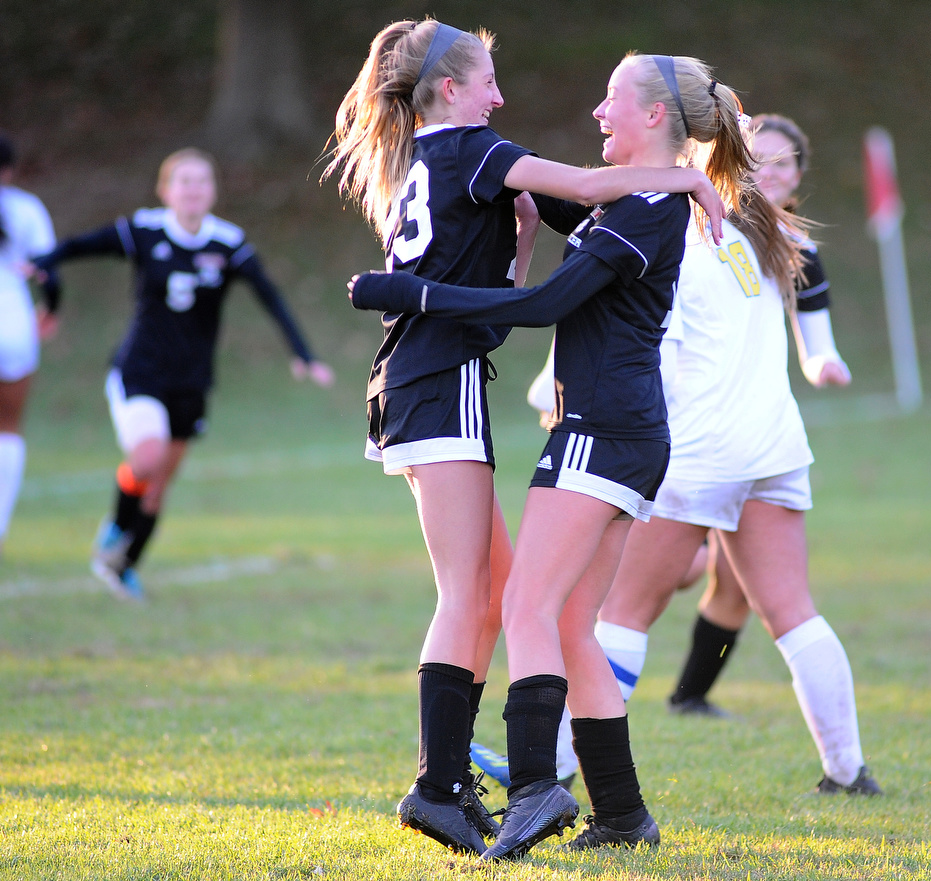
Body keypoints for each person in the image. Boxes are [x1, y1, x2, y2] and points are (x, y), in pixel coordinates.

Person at [324, 20, 723, 858]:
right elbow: (575, 194)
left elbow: (542, 296)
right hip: (503, 403)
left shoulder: (621, 195)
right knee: (522, 604)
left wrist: (686, 181)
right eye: (489, 80)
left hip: (586, 423)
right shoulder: (537, 169)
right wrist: (684, 181)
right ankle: (570, 803)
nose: (507, 97)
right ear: (449, 89)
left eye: (611, 96)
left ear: (653, 113)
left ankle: (520, 787)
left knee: (520, 602)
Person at [592, 112, 881, 796]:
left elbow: (649, 343)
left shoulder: (686, 228)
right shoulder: (775, 235)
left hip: (705, 446)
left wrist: (564, 391)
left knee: (623, 611)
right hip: (776, 444)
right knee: (792, 609)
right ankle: (848, 771)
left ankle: (553, 769)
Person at [32, 148, 333, 601]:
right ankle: (115, 526)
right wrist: (44, 260)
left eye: (201, 181)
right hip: (140, 371)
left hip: (191, 381)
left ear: (213, 191)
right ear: (165, 190)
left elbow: (269, 296)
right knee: (146, 461)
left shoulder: (226, 242)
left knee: (158, 489)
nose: (192, 190)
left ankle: (124, 568)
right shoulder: (145, 230)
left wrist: (302, 354)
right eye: (183, 181)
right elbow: (82, 246)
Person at [664, 112, 852, 718]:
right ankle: (846, 769)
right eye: (759, 158)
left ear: (798, 176)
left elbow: (815, 343)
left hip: (736, 441)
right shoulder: (695, 230)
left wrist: (823, 364)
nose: (769, 171)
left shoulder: (794, 249)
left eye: (783, 162)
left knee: (735, 589)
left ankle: (687, 695)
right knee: (730, 587)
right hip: (734, 443)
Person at [0, 134, 57, 559]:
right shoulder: (24, 208)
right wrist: (49, 309)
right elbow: (48, 270)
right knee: (8, 428)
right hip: (14, 323)